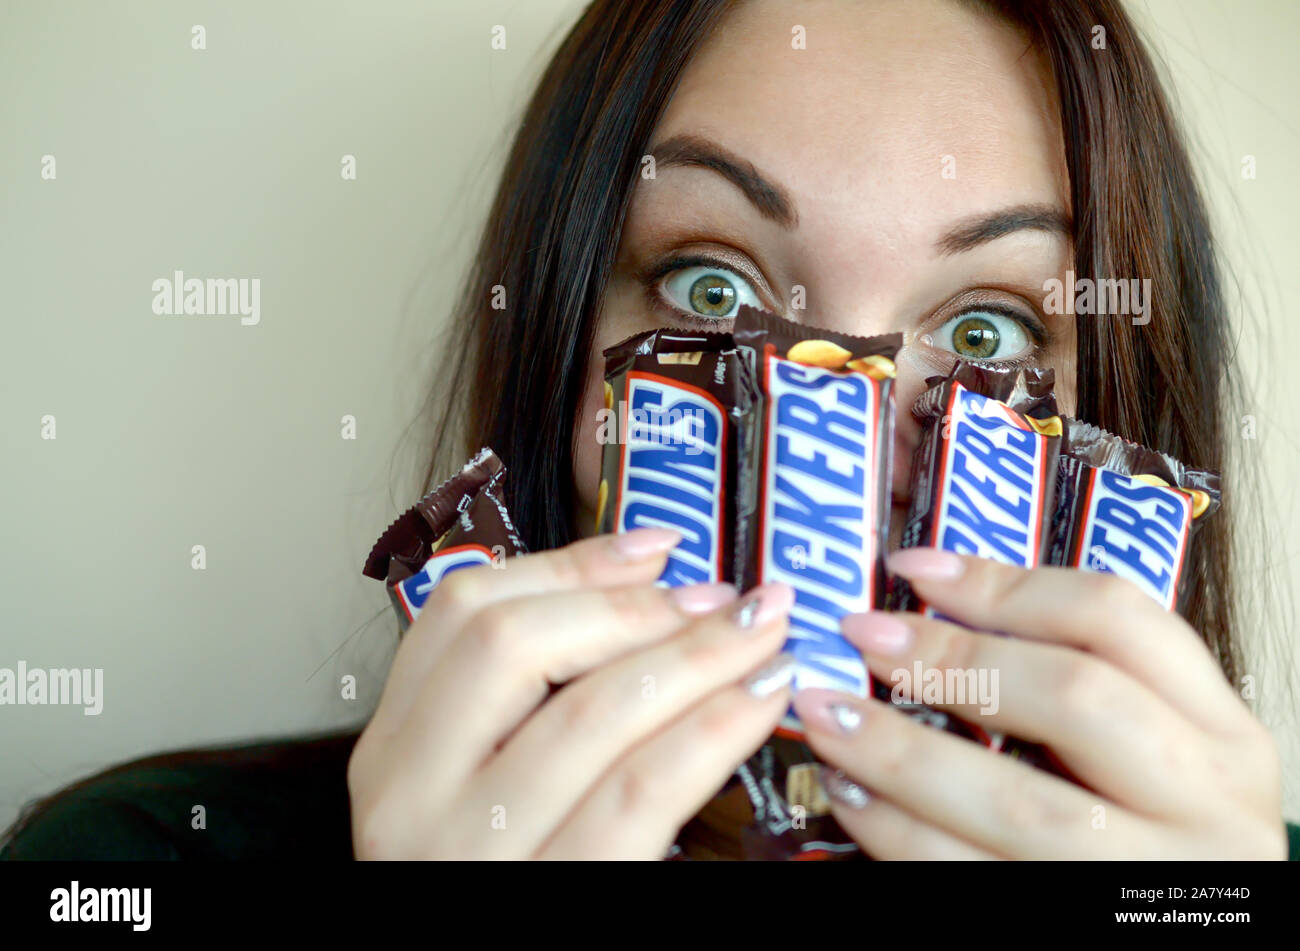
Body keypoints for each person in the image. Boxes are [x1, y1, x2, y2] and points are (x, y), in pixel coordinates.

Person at [4, 0, 1296, 861]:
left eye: (986, 335)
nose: (830, 429)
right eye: (711, 290)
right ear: (561, 356)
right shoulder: (135, 859)